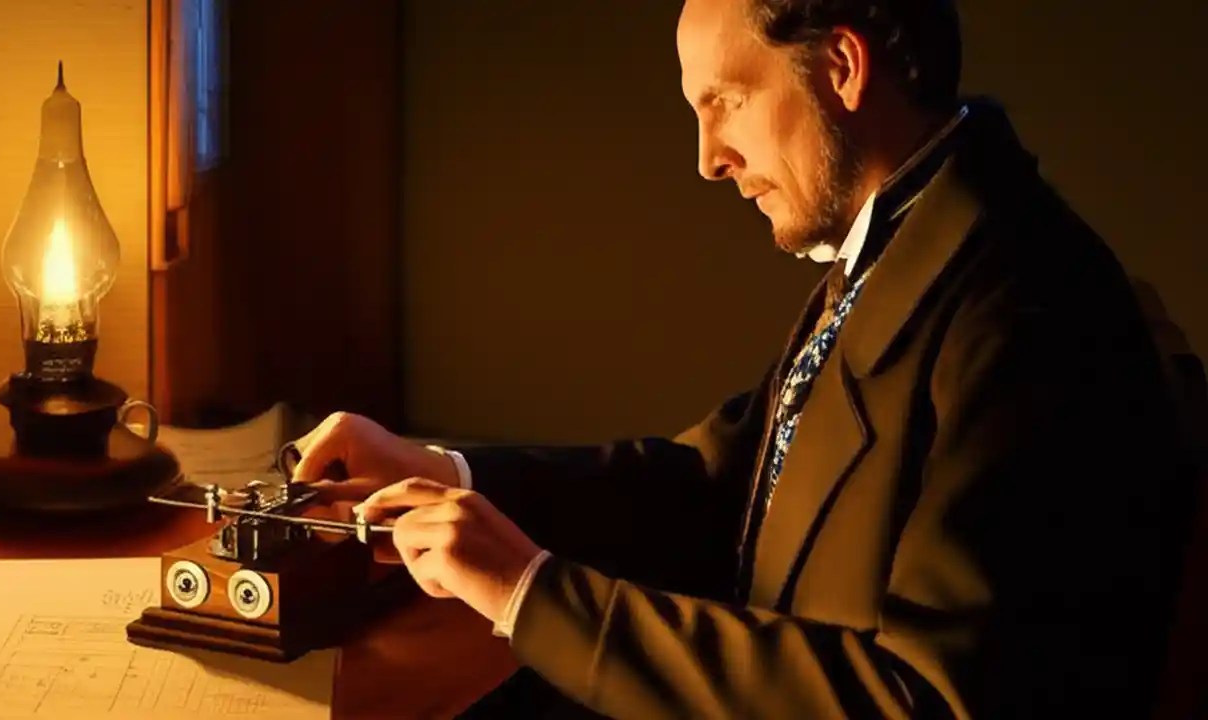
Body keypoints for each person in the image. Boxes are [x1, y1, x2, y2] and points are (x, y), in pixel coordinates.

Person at [290, 0, 1197, 716]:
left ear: (841, 67)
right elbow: (717, 480)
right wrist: (445, 471)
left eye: (723, 100)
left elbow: (930, 700)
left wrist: (531, 595)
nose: (707, 159)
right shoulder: (910, 244)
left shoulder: (1028, 308)